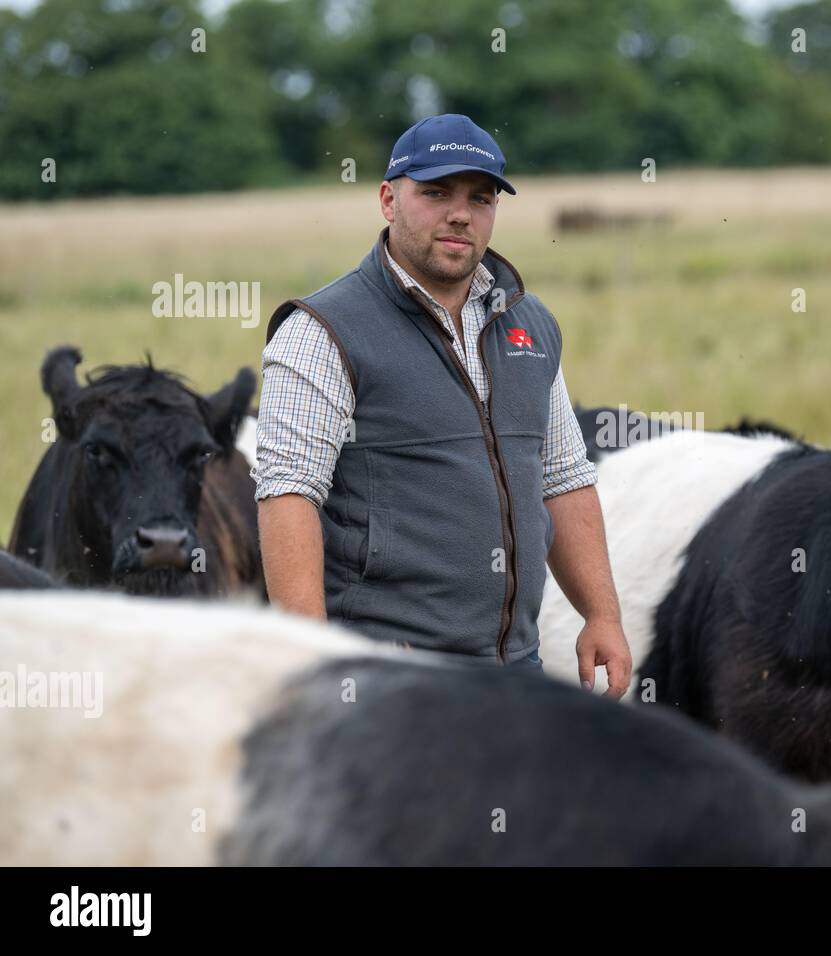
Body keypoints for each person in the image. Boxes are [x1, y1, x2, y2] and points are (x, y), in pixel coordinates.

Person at [254, 113, 631, 696]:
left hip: (516, 669)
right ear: (387, 199)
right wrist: (314, 665)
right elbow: (288, 495)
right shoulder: (322, 331)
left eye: (480, 198)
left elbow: (563, 478)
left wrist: (602, 614)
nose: (460, 213)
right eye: (436, 193)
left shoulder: (529, 323)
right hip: (389, 677)